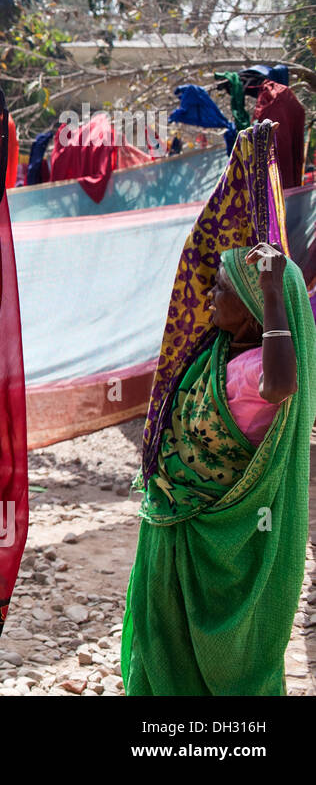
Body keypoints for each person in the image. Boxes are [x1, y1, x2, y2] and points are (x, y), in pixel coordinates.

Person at [122, 242, 315, 694]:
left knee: (200, 639)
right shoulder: (222, 354)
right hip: (178, 513)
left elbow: (283, 382)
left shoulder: (255, 372)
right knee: (170, 631)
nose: (210, 293)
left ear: (251, 313)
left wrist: (270, 291)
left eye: (222, 288)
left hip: (208, 521)